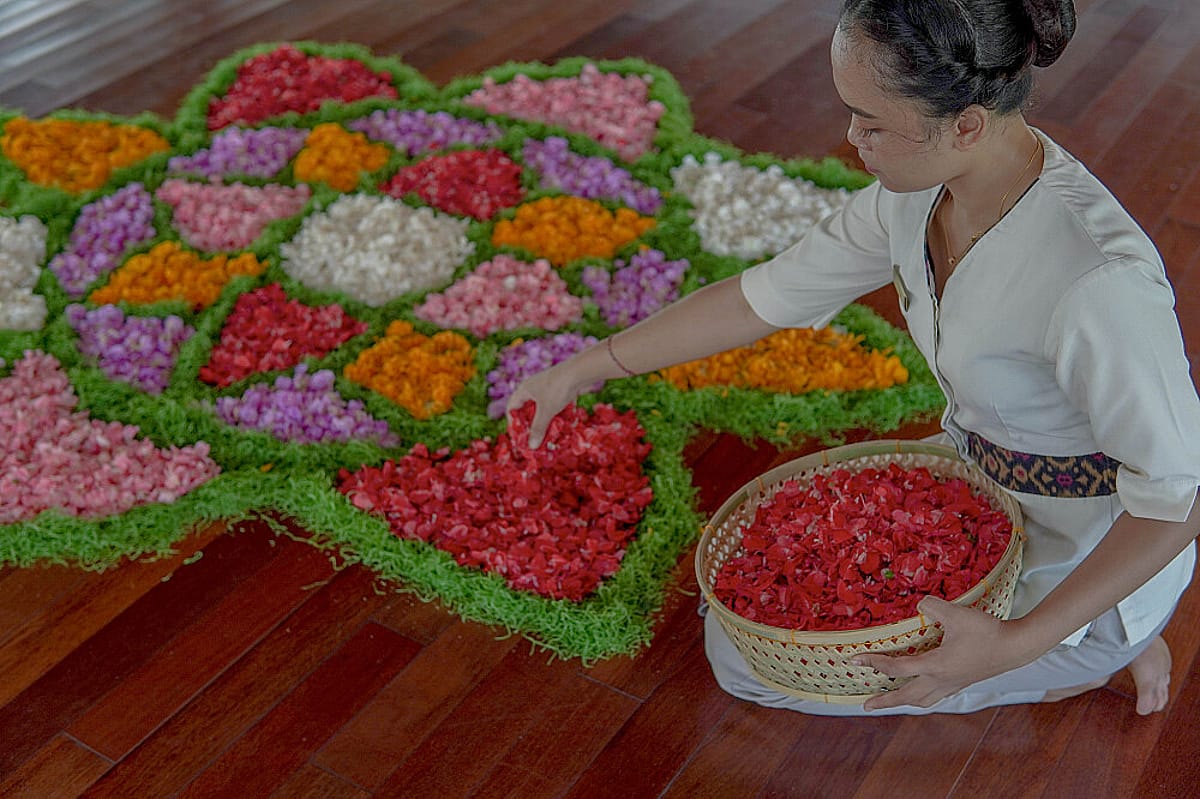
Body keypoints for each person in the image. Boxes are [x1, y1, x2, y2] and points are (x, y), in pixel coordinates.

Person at [507, 0, 1200, 716]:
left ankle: (1109, 643)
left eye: (872, 122)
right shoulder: (917, 193)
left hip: (1079, 558)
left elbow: (1178, 500)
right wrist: (587, 365)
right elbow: (761, 298)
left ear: (966, 124)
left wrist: (1016, 640)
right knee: (744, 630)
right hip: (982, 485)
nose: (850, 137)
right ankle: (1095, 644)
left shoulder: (1098, 282)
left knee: (739, 666)